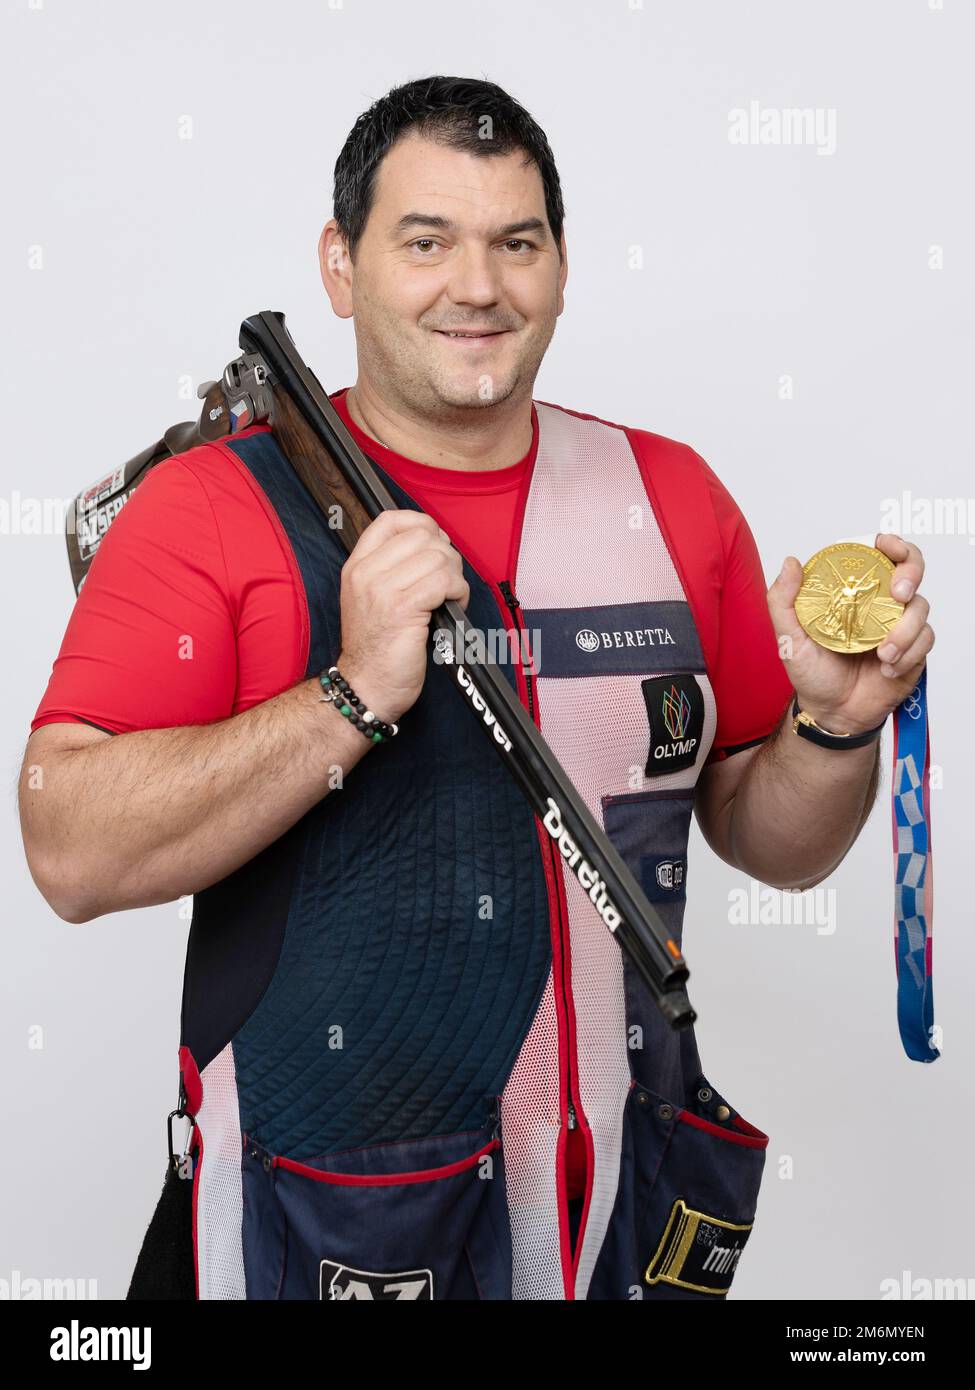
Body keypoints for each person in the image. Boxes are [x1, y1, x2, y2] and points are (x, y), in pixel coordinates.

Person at [18, 76, 933, 1301]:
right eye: (426, 241)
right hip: (310, 1229)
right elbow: (69, 847)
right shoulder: (211, 508)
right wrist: (347, 695)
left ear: (560, 264)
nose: (479, 287)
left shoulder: (666, 496)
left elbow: (777, 846)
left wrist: (833, 724)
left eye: (518, 242)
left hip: (610, 1216)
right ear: (340, 267)